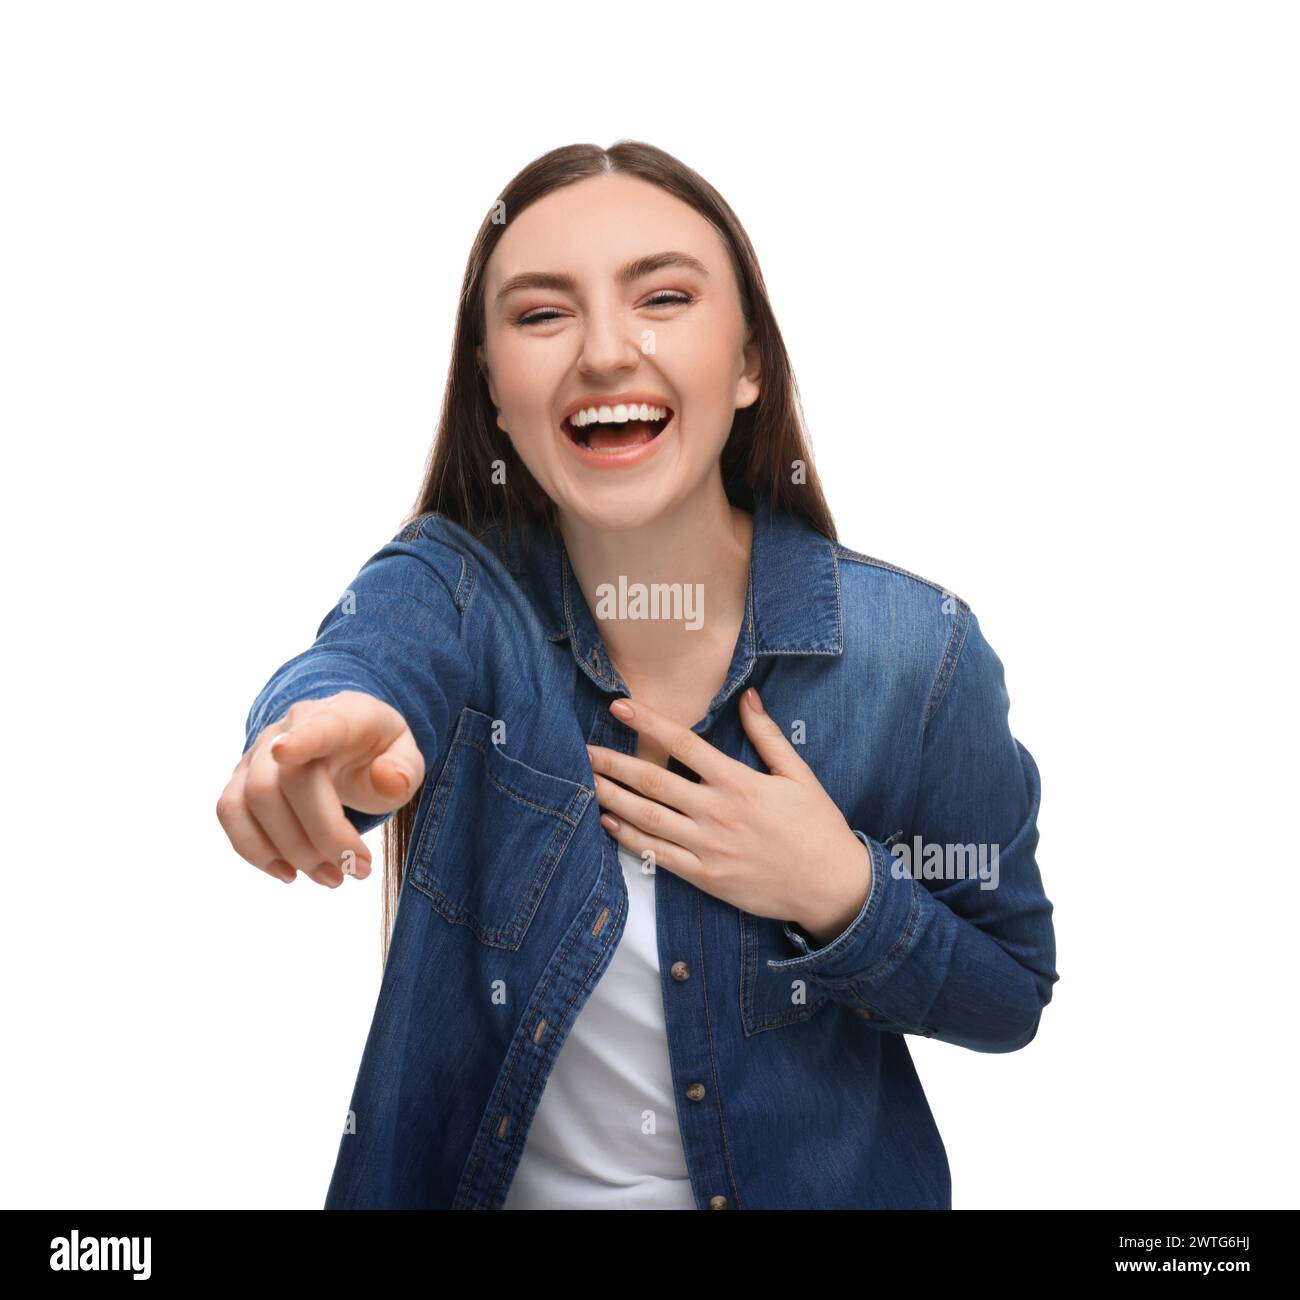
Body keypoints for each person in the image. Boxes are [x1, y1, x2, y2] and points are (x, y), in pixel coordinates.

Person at [216, 140, 1059, 1210]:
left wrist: (839, 892)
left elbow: (1010, 993)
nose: (606, 351)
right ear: (494, 385)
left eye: (661, 296)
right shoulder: (456, 586)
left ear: (748, 361)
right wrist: (319, 731)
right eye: (539, 315)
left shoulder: (915, 653)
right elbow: (365, 659)